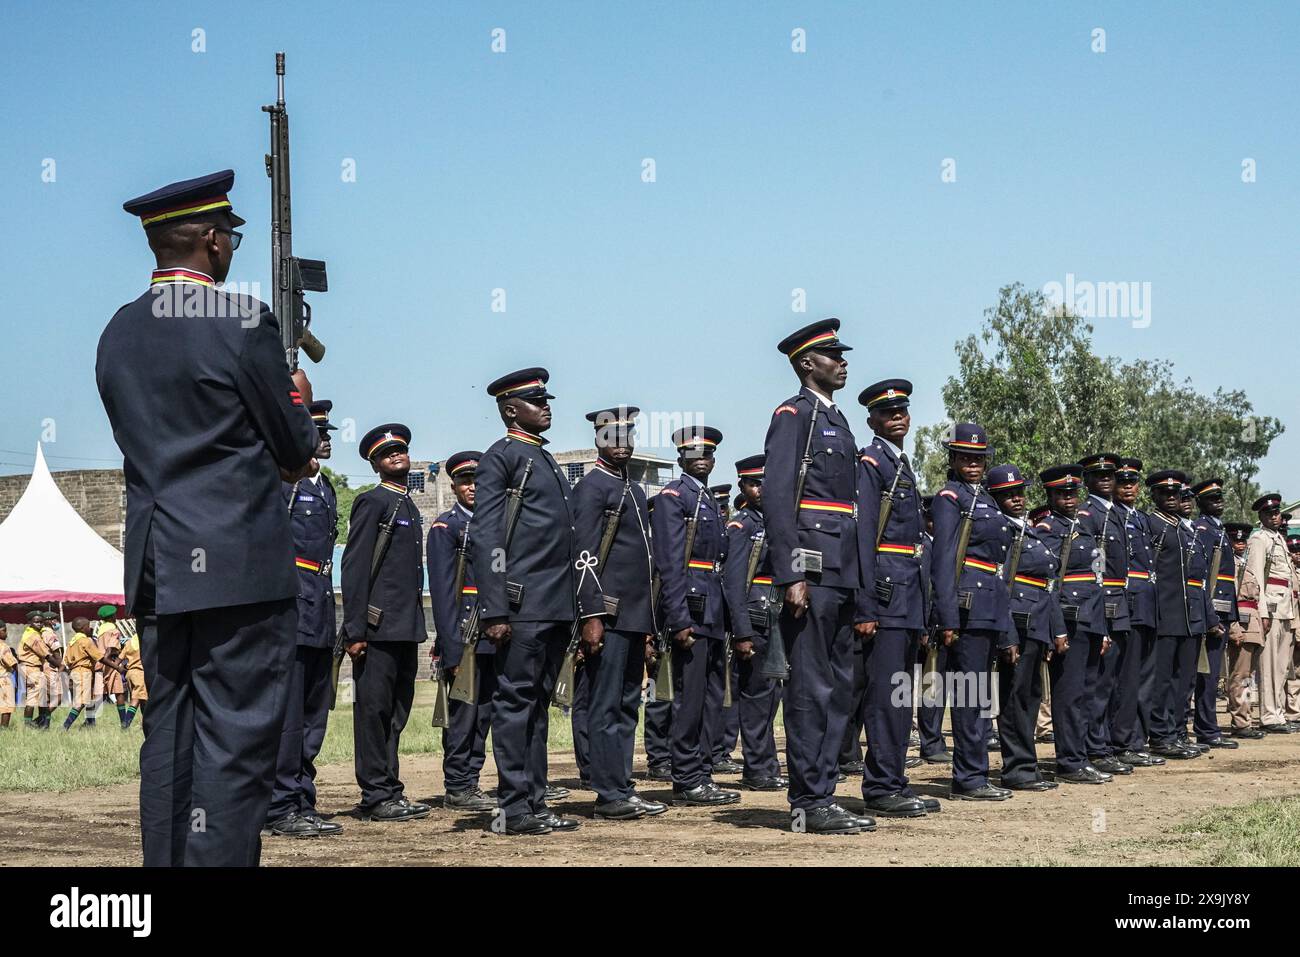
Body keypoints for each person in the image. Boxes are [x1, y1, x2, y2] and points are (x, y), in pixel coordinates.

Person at [98, 169, 319, 866]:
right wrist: (300, 401)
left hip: (161, 563)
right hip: (239, 571)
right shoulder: (241, 321)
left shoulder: (118, 333)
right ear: (213, 240)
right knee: (235, 744)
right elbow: (294, 451)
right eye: (230, 236)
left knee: (168, 737)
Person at [763, 319, 873, 834]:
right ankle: (807, 799)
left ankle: (824, 791)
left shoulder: (841, 421)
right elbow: (778, 497)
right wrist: (790, 573)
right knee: (809, 689)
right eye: (833, 354)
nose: (843, 361)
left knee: (839, 686)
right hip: (812, 569)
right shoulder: (794, 416)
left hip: (843, 571)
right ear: (808, 363)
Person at [471, 368, 580, 836]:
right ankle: (513, 807)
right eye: (537, 401)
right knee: (515, 705)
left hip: (554, 604)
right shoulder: (503, 457)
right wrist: (495, 607)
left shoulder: (544, 458)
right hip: (522, 605)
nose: (547, 406)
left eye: (546, 400)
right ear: (511, 410)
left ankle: (535, 801)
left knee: (537, 707)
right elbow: (488, 535)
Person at [572, 406, 667, 820]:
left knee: (628, 705)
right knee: (606, 706)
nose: (623, 443)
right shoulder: (592, 488)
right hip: (607, 617)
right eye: (614, 437)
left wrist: (647, 625)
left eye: (628, 436)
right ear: (598, 440)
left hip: (633, 617)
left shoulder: (632, 488)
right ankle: (608, 793)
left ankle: (622, 786)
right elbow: (583, 556)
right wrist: (591, 614)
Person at [853, 379, 939, 817]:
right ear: (872, 420)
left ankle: (895, 779)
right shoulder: (871, 462)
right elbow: (864, 534)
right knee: (886, 695)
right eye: (888, 413)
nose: (898, 417)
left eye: (903, 410)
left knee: (901, 694)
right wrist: (866, 604)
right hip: (886, 594)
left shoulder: (900, 463)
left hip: (907, 595)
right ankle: (882, 785)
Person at [341, 424, 430, 822]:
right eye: (386, 453)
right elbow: (356, 567)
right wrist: (355, 629)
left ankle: (390, 788)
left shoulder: (409, 506)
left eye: (400, 450)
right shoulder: (372, 502)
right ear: (375, 464)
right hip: (376, 630)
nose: (395, 455)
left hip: (405, 628)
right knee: (373, 713)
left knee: (396, 712)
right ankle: (375, 795)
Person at [267, 400, 344, 837]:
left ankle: (302, 799)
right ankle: (279, 806)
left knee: (315, 714)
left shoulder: (325, 487)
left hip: (321, 607)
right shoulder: (284, 484)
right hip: (295, 604)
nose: (328, 437)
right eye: (319, 431)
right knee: (291, 717)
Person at [653, 424, 739, 808]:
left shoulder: (706, 499)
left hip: (713, 607)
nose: (702, 458)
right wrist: (678, 618)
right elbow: (670, 564)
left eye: (707, 453)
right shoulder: (675, 497)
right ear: (681, 458)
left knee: (710, 696)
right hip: (691, 606)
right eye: (694, 453)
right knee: (688, 700)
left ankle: (702, 772)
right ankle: (686, 776)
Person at [426, 450, 498, 812]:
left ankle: (472, 779)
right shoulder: (446, 527)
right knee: (462, 715)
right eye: (466, 481)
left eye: (478, 480)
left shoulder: (494, 525)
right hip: (464, 634)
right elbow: (442, 594)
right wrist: (451, 646)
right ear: (453, 486)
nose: (473, 487)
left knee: (484, 714)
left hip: (491, 635)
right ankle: (457, 785)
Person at [987, 465, 1062, 791]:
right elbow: (1000, 583)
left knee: (1030, 696)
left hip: (1037, 623)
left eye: (1018, 492)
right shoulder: (1001, 530)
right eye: (1007, 494)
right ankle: (1016, 769)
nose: (1015, 498)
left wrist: (1053, 629)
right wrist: (1007, 635)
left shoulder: (1027, 529)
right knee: (1015, 698)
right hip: (1017, 623)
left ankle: (1027, 765)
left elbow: (1047, 584)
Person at [1037, 464, 1113, 784]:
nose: (1069, 499)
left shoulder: (1087, 525)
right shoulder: (1048, 528)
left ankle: (1081, 755)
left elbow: (1097, 579)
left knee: (1085, 693)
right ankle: (1069, 761)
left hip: (1092, 619)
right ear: (1050, 496)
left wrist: (1104, 627)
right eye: (1061, 494)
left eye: (1072, 493)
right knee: (1068, 696)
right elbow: (1050, 584)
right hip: (1070, 620)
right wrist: (1057, 628)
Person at [721, 454, 787, 791]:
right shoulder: (742, 526)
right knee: (757, 697)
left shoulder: (777, 522)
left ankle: (767, 763)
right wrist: (742, 631)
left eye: (764, 482)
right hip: (756, 617)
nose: (760, 489)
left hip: (777, 616)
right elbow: (733, 583)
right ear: (742, 487)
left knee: (772, 696)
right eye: (753, 483)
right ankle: (757, 767)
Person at [1143, 471, 1209, 758]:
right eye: (1165, 494)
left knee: (1181, 680)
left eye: (1177, 495)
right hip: (1163, 614)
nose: (1172, 499)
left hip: (1184, 615)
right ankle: (1160, 736)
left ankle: (1175, 732)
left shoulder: (1182, 529)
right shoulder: (1152, 524)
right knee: (1162, 680)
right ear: (1155, 497)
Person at [1076, 453, 1134, 776]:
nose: (1107, 480)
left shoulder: (1115, 513)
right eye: (1098, 476)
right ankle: (1094, 748)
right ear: (1087, 481)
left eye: (1110, 475)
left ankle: (1104, 743)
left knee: (1112, 681)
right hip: (1102, 602)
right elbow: (1093, 567)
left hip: (1119, 600)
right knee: (1097, 683)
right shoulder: (1089, 513)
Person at [1112, 458, 1165, 767]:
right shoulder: (1114, 516)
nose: (1129, 486)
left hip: (1147, 603)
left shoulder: (1142, 519)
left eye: (1133, 482)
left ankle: (1138, 740)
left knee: (1145, 677)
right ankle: (1123, 742)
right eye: (1123, 481)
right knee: (1127, 679)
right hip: (1128, 603)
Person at [1190, 478, 1239, 750]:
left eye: (1219, 497)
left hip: (1221, 611)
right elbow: (1204, 577)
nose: (1218, 501)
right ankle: (1206, 730)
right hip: (1210, 611)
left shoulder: (1217, 529)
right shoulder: (1203, 530)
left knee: (1211, 675)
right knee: (1204, 675)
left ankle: (1208, 728)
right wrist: (1210, 616)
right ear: (1200, 503)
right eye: (1211, 498)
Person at [1244, 493, 1298, 733]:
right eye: (1270, 513)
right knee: (1269, 666)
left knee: (1282, 667)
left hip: (1286, 610)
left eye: (1277, 513)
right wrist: (1262, 613)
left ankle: (1277, 712)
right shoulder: (1260, 539)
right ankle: (1268, 715)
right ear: (1262, 516)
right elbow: (1256, 577)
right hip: (1272, 611)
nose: (1275, 517)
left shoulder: (1279, 539)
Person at [1224, 522, 1263, 738]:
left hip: (1254, 627)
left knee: (1249, 678)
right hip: (1241, 626)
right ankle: (1240, 722)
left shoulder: (1246, 565)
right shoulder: (1231, 566)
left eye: (1242, 540)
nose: (1240, 544)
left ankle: (1246, 718)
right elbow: (1229, 600)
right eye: (1235, 540)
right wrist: (1234, 629)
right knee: (1239, 676)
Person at [62, 618, 125, 730]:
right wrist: (117, 667)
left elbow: (66, 661)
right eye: (88, 626)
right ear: (82, 628)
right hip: (84, 672)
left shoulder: (71, 642)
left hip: (76, 672)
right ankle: (65, 726)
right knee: (81, 701)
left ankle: (90, 723)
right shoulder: (86, 641)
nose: (90, 628)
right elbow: (100, 658)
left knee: (89, 698)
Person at [17, 611, 53, 728]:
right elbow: (46, 655)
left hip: (29, 668)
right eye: (36, 622)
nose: (39, 624)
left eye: (41, 622)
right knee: (35, 698)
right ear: (29, 622)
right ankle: (33, 725)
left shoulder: (28, 633)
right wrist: (62, 667)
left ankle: (40, 724)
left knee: (38, 697)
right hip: (33, 669)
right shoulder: (34, 636)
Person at [122, 628, 148, 729]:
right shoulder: (143, 641)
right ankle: (125, 724)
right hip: (140, 674)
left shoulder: (129, 642)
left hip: (130, 673)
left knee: (143, 699)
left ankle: (144, 724)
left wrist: (121, 669)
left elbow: (120, 658)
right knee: (136, 699)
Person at [0, 638, 19, 728]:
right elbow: (12, 663)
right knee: (7, 707)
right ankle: (4, 730)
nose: (6, 633)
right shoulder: (3, 646)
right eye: (4, 630)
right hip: (4, 679)